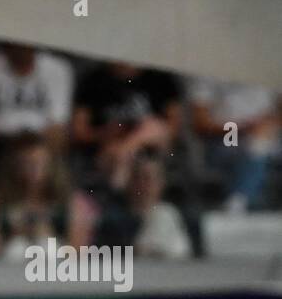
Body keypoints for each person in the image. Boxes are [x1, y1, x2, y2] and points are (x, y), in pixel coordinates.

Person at [0, 132, 93, 260]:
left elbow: (80, 251)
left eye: (39, 163)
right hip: (8, 263)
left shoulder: (74, 202)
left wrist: (48, 235)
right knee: (17, 247)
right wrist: (17, 233)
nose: (33, 170)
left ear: (52, 165)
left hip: (58, 267)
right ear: (14, 166)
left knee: (46, 245)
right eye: (26, 163)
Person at [71, 61, 181, 189]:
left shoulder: (160, 78)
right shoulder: (94, 80)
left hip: (153, 149)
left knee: (151, 127)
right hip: (109, 149)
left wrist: (132, 140)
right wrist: (104, 133)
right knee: (125, 158)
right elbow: (79, 131)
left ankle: (118, 188)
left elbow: (172, 128)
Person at [0, 43, 73, 164]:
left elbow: (58, 124)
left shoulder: (56, 69)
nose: (20, 52)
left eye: (25, 47)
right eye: (14, 46)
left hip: (38, 145)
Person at [189, 78, 280, 212]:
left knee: (258, 141)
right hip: (227, 134)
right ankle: (242, 198)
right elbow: (200, 123)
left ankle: (239, 198)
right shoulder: (208, 74)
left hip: (268, 135)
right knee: (256, 144)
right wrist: (243, 128)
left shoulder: (267, 68)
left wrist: (267, 124)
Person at [94, 152, 191, 259]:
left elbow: (181, 255)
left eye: (148, 178)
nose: (142, 184)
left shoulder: (168, 214)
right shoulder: (113, 220)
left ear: (161, 183)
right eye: (137, 178)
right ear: (129, 182)